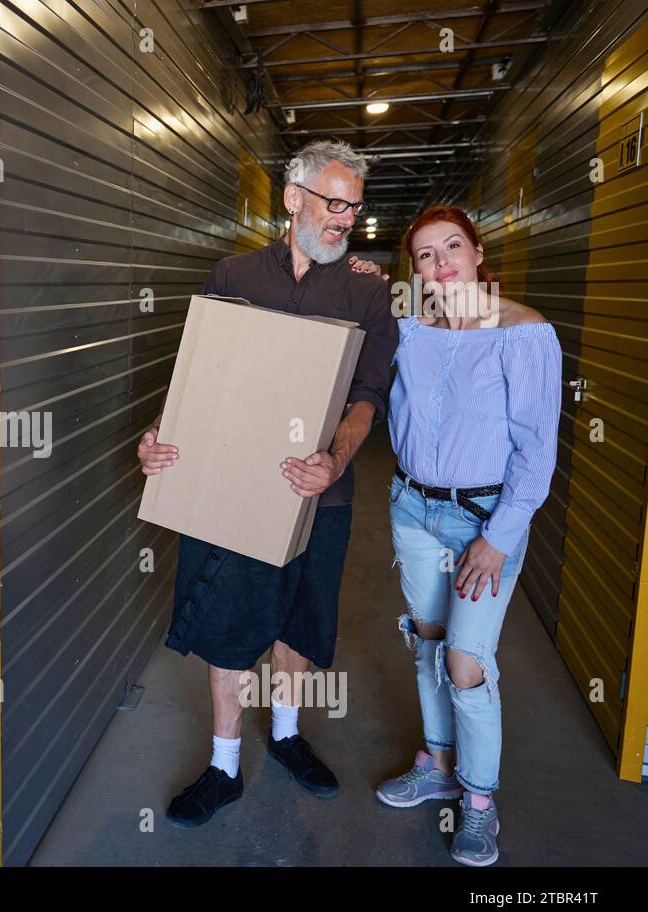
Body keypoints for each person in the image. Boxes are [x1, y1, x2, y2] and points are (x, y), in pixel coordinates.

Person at [137, 139, 398, 828]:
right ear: (293, 199)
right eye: (333, 203)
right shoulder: (233, 273)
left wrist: (336, 461)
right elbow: (202, 372)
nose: (346, 219)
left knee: (302, 627)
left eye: (354, 208)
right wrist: (160, 435)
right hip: (232, 491)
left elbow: (368, 395)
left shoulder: (368, 292)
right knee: (228, 629)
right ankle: (223, 766)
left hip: (323, 493)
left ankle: (285, 735)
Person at [357, 205, 561, 866]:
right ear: (413, 270)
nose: (440, 262)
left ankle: (478, 802)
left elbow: (535, 456)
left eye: (451, 246)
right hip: (413, 510)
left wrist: (498, 538)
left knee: (466, 664)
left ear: (476, 252)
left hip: (484, 521)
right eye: (423, 254)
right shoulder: (411, 331)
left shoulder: (523, 333)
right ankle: (438, 766)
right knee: (430, 645)